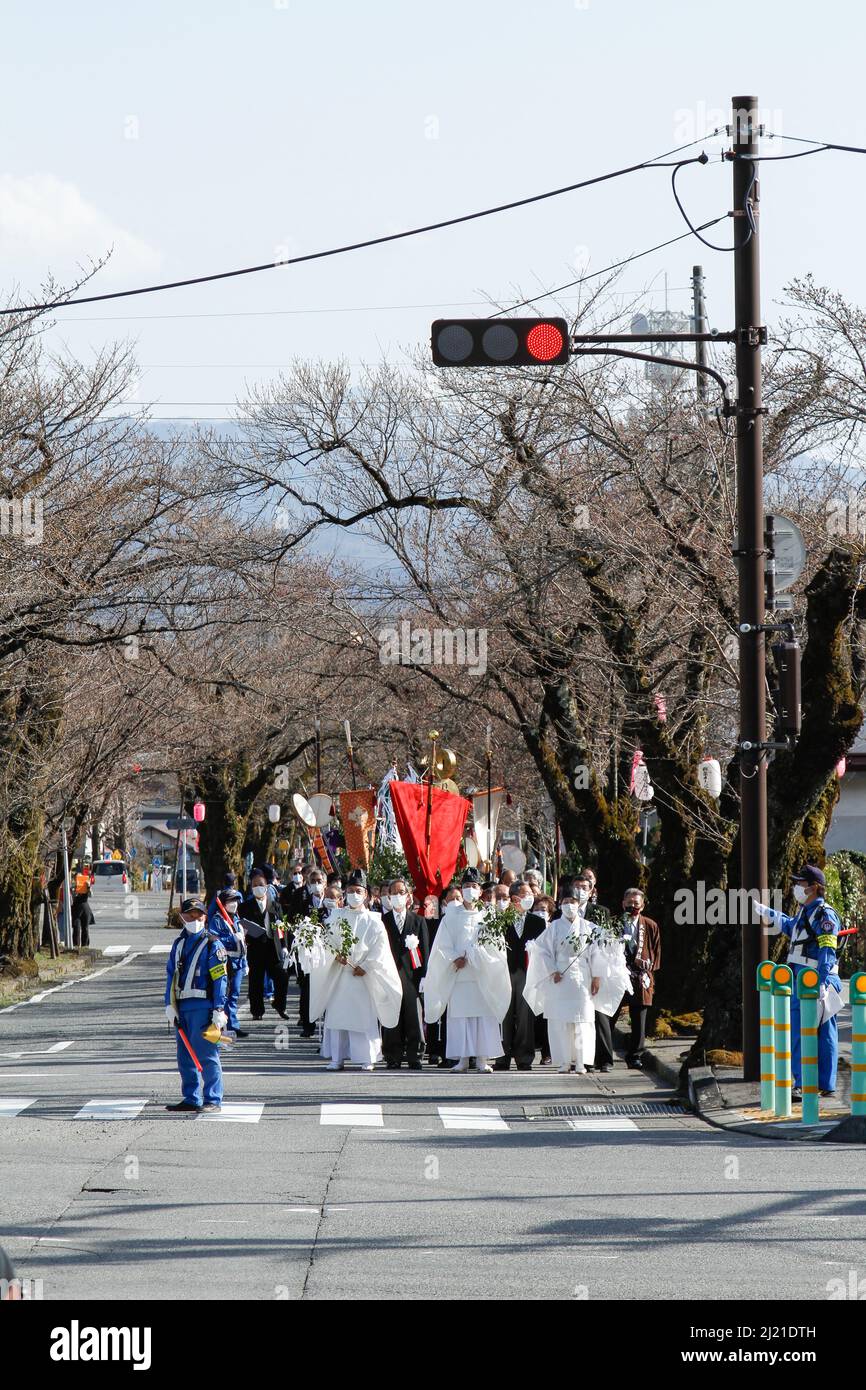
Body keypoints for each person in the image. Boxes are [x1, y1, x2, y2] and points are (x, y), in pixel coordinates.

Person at [754, 865, 843, 1099]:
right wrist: (767, 912)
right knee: (820, 1031)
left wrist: (822, 982)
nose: (796, 887)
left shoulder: (824, 914)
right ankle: (822, 1083)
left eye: (800, 884)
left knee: (805, 1032)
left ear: (814, 887)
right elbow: (790, 927)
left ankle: (805, 1083)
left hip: (813, 979)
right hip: (806, 978)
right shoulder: (807, 911)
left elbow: (827, 948)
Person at [309, 869, 402, 1070]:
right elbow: (326, 943)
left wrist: (366, 966)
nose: (354, 894)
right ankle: (337, 1057)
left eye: (358, 890)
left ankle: (367, 1057)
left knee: (363, 1019)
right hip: (340, 976)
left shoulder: (374, 921)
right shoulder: (335, 916)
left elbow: (381, 950)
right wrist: (335, 955)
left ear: (366, 894)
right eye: (350, 890)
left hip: (362, 976)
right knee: (337, 1018)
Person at [423, 867, 511, 1073]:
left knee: (482, 1017)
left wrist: (477, 954)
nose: (470, 890)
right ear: (461, 891)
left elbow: (496, 948)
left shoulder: (489, 916)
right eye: (466, 887)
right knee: (460, 1017)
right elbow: (441, 945)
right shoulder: (451, 916)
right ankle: (462, 1059)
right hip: (459, 974)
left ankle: (481, 1059)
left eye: (474, 886)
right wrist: (455, 958)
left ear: (481, 891)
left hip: (482, 974)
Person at [524, 892, 603, 1072]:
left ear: (579, 903)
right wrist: (552, 970)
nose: (569, 905)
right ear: (560, 905)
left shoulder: (589, 927)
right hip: (559, 976)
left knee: (582, 1021)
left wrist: (596, 976)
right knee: (561, 1021)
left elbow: (597, 952)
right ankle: (564, 1061)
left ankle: (581, 1061)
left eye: (572, 902)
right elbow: (541, 950)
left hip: (583, 977)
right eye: (566, 902)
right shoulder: (553, 927)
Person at [164, 898, 228, 1114]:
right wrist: (169, 1004)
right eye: (189, 916)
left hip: (204, 1007)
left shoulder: (213, 943)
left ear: (205, 916)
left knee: (207, 1055)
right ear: (182, 917)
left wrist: (219, 1009)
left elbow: (221, 979)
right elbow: (171, 976)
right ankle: (191, 1097)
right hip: (182, 1007)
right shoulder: (178, 944)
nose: (194, 919)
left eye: (198, 915)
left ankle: (213, 1099)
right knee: (184, 1056)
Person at [495, 881, 548, 1070]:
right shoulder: (501, 920)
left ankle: (524, 1057)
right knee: (504, 1014)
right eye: (525, 895)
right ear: (515, 898)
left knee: (526, 1016)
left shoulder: (538, 922)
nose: (530, 898)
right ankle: (502, 1056)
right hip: (506, 972)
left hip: (528, 974)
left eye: (530, 895)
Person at [381, 878, 430, 1070]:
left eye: (401, 892)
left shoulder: (418, 921)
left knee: (413, 1016)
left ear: (408, 896)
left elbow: (425, 950)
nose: (398, 896)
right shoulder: (382, 921)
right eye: (394, 892)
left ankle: (415, 1054)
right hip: (390, 974)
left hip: (412, 975)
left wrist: (424, 976)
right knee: (392, 1015)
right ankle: (392, 1055)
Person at [617, 888, 661, 1069]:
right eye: (629, 903)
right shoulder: (614, 923)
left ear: (642, 906)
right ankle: (601, 1054)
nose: (632, 906)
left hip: (641, 976)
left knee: (639, 1018)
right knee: (609, 1014)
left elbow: (656, 952)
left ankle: (635, 1055)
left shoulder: (650, 925)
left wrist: (648, 969)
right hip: (618, 975)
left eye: (636, 903)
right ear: (623, 904)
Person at [242, 866, 290, 1021]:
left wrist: (284, 946)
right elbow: (242, 926)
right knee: (255, 981)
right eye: (254, 885)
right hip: (255, 948)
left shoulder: (275, 905)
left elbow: (281, 926)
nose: (258, 888)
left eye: (260, 884)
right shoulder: (245, 907)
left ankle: (280, 1004)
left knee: (282, 977)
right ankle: (257, 1011)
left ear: (267, 886)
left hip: (273, 947)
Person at [209, 888, 249, 1037]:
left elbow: (243, 944)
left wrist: (245, 963)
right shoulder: (217, 920)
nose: (234, 904)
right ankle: (224, 1025)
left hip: (238, 962)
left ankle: (232, 1025)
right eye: (230, 901)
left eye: (235, 900)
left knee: (234, 994)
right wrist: (233, 938)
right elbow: (214, 940)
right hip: (225, 962)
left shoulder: (237, 918)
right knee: (223, 994)